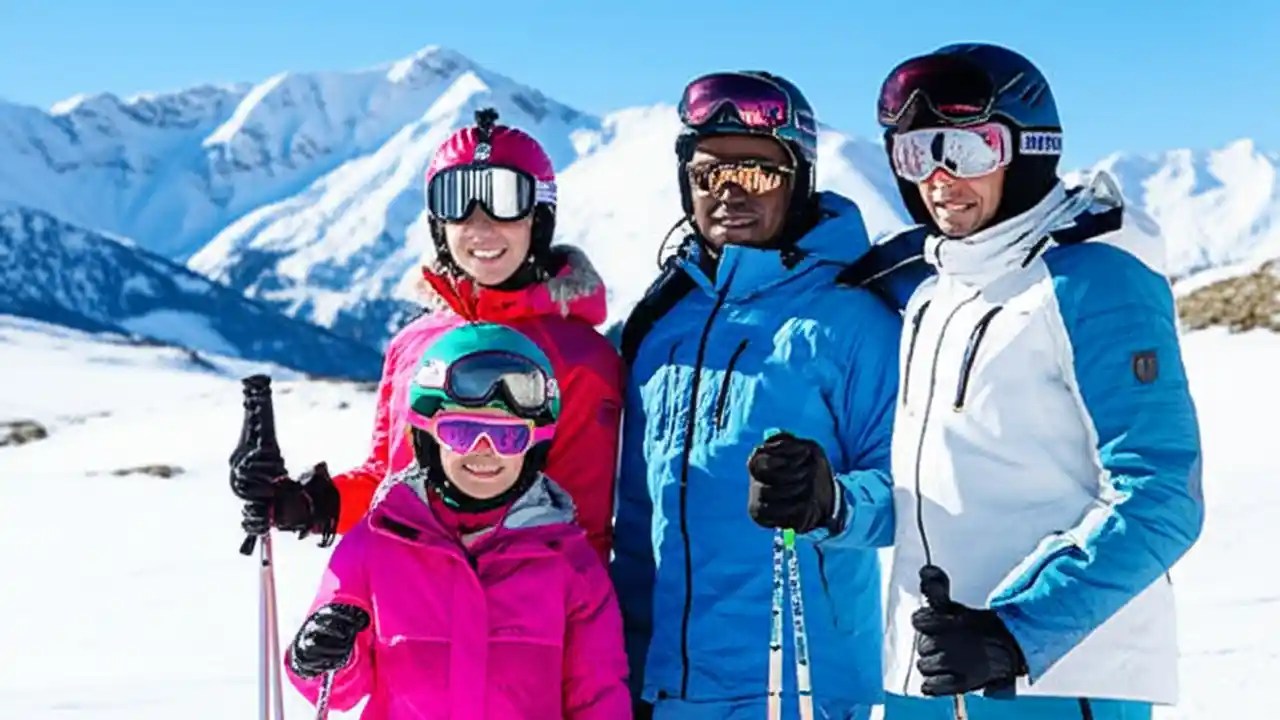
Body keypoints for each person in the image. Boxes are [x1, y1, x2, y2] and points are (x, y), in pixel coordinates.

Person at [840, 43, 1205, 720]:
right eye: (916, 153)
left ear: (1030, 149)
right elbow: (936, 490)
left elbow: (1161, 494)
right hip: (928, 675)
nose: (940, 177)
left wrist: (1017, 633)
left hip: (1059, 677)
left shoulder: (1095, 281)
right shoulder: (935, 295)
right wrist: (831, 504)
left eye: (968, 149)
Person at [611, 70, 902, 719]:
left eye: (758, 173)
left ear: (799, 180)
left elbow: (917, 496)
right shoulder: (662, 327)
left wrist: (834, 501)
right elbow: (636, 525)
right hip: (661, 689)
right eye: (709, 172)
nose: (729, 191)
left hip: (799, 687)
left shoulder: (855, 324)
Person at [229, 108, 623, 563]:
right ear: (438, 225)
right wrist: (314, 504)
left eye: (505, 200)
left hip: (517, 618)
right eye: (457, 204)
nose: (480, 226)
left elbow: (580, 529)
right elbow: (387, 480)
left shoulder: (580, 358)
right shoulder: (413, 343)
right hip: (396, 604)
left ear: (539, 217)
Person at [282, 322, 631, 719]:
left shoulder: (570, 564)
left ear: (534, 445)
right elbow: (335, 689)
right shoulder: (375, 545)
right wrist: (319, 656)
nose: (485, 453)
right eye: (462, 432)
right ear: (428, 438)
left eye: (508, 437)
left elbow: (599, 698)